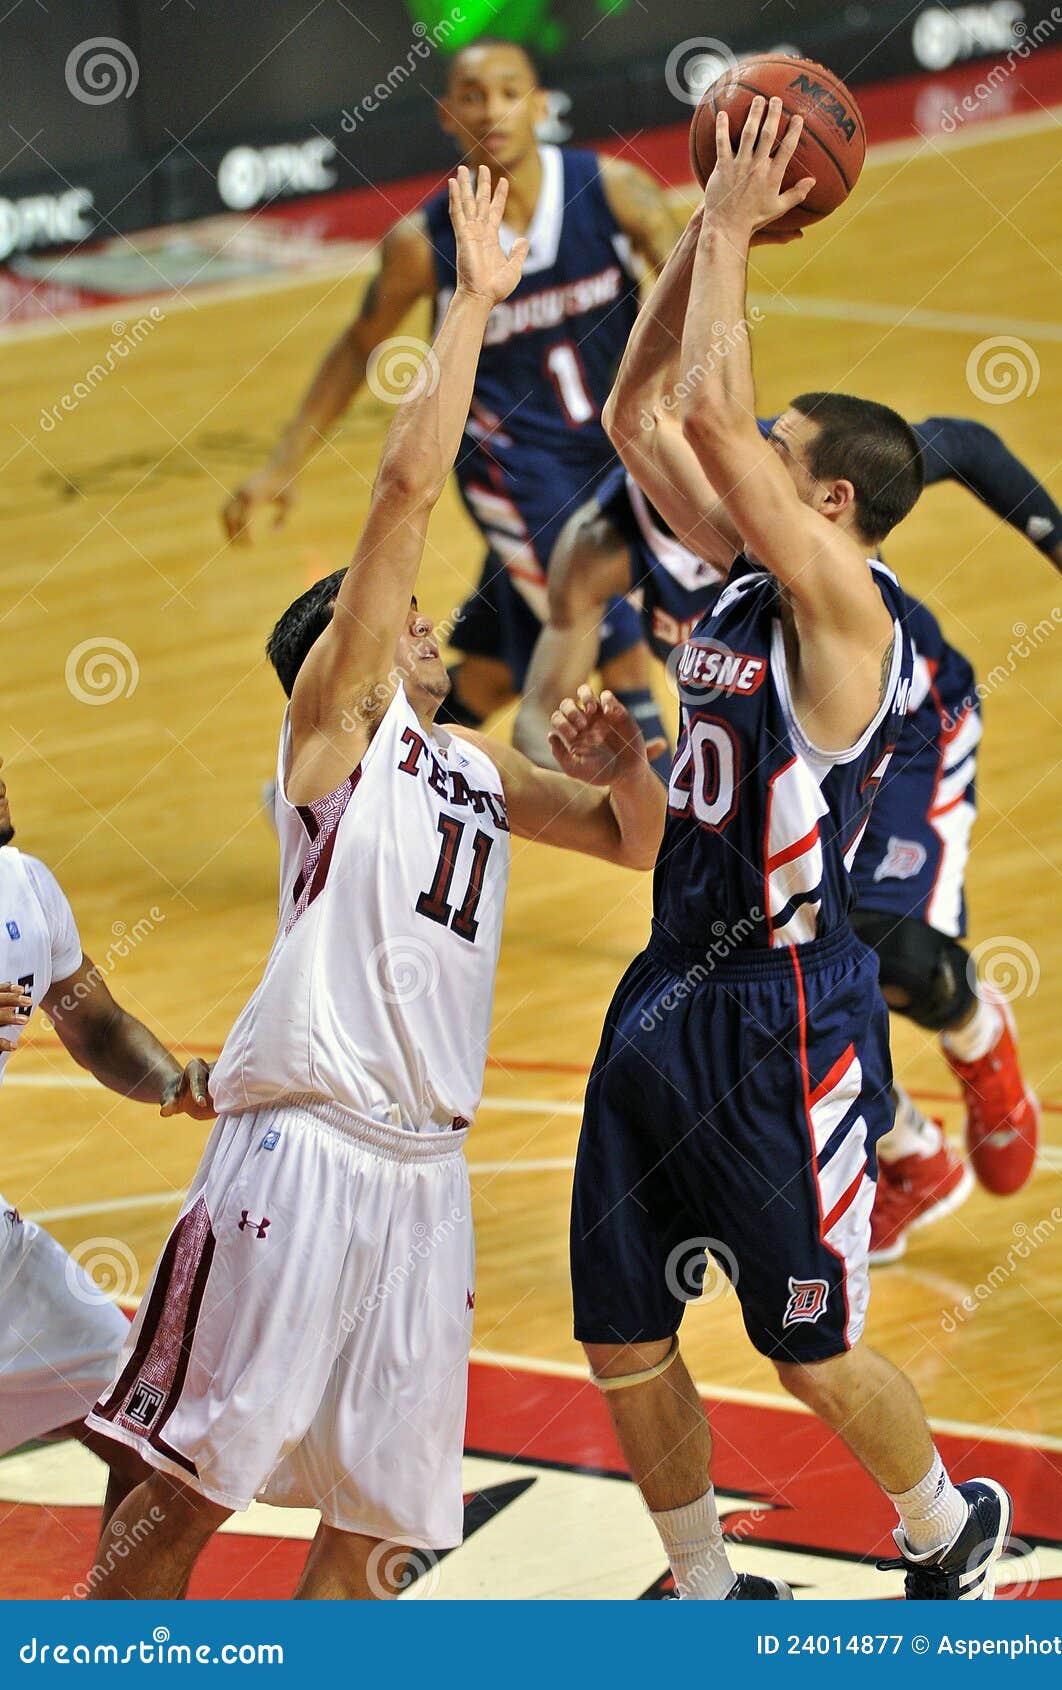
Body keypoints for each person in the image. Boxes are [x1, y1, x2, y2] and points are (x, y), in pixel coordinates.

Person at [85, 166, 665, 1602]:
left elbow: (636, 842)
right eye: (396, 614)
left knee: (376, 1532)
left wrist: (628, 759)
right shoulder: (339, 742)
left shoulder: (465, 764)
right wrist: (474, 299)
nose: (423, 617)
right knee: (178, 1497)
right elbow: (408, 485)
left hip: (428, 1181)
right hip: (310, 1156)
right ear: (338, 659)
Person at [572, 99, 1012, 1602]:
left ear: (828, 503)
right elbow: (650, 418)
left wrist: (740, 232)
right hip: (661, 988)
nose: (749, 451)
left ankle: (943, 1522)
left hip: (778, 1010)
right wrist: (698, 229)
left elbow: (707, 418)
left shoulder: (844, 614)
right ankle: (701, 1577)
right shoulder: (752, 581)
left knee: (804, 1342)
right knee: (619, 1325)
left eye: (779, 451)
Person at [514, 422, 1062, 1265]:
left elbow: (965, 444)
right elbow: (540, 713)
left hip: (905, 725)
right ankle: (911, 1154)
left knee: (872, 946)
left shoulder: (782, 477)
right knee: (781, 976)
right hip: (780, 754)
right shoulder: (600, 546)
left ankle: (975, 1031)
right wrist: (624, 759)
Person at [222, 36, 681, 773]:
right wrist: (280, 466)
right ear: (446, 114)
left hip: (618, 453)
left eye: (508, 91)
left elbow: (693, 300)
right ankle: (677, 821)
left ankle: (349, 773)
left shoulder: (618, 192)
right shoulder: (422, 241)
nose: (491, 109)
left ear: (539, 105)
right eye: (472, 95)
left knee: (496, 672)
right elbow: (356, 346)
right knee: (608, 623)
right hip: (513, 468)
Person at [0, 757, 213, 1533]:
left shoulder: (23, 887)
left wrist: (168, 1081)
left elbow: (94, 1022)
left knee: (147, 1435)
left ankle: (115, 1652)